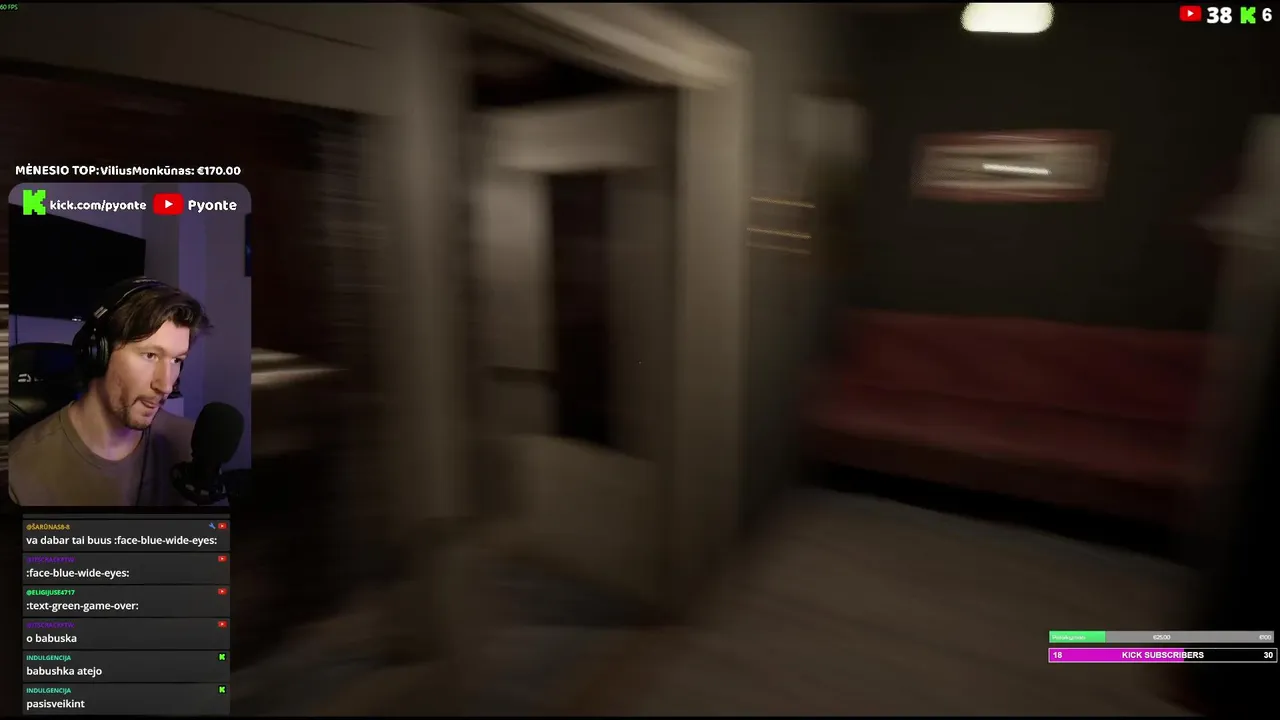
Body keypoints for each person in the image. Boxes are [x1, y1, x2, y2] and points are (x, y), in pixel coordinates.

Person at [8, 278, 212, 506]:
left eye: (176, 360)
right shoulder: (20, 473)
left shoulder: (193, 447)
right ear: (99, 354)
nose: (166, 385)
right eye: (150, 355)